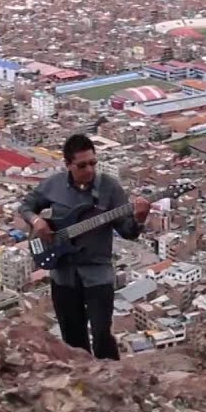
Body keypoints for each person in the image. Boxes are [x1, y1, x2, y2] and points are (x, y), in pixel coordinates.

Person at [16, 134, 150, 360]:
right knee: (72, 335)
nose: (89, 169)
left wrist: (140, 218)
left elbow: (128, 232)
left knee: (101, 334)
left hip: (97, 272)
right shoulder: (54, 184)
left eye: (93, 163)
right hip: (63, 272)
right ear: (68, 165)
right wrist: (37, 221)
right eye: (82, 165)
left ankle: (112, 379)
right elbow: (26, 206)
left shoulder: (109, 188)